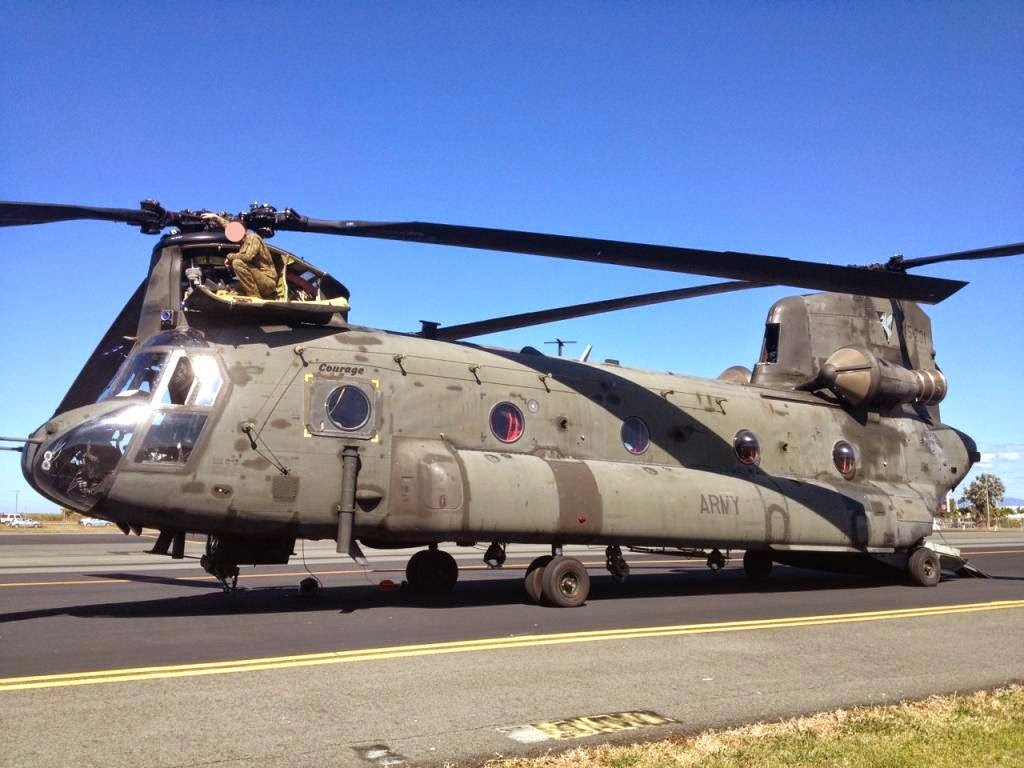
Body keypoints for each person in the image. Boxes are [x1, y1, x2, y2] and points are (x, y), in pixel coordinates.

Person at [201, 213, 280, 299]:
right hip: (258, 281)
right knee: (230, 288)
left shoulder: (253, 238)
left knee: (237, 263)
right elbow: (230, 227)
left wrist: (229, 257)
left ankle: (255, 298)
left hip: (267, 282)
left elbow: (247, 256)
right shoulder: (243, 242)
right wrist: (217, 218)